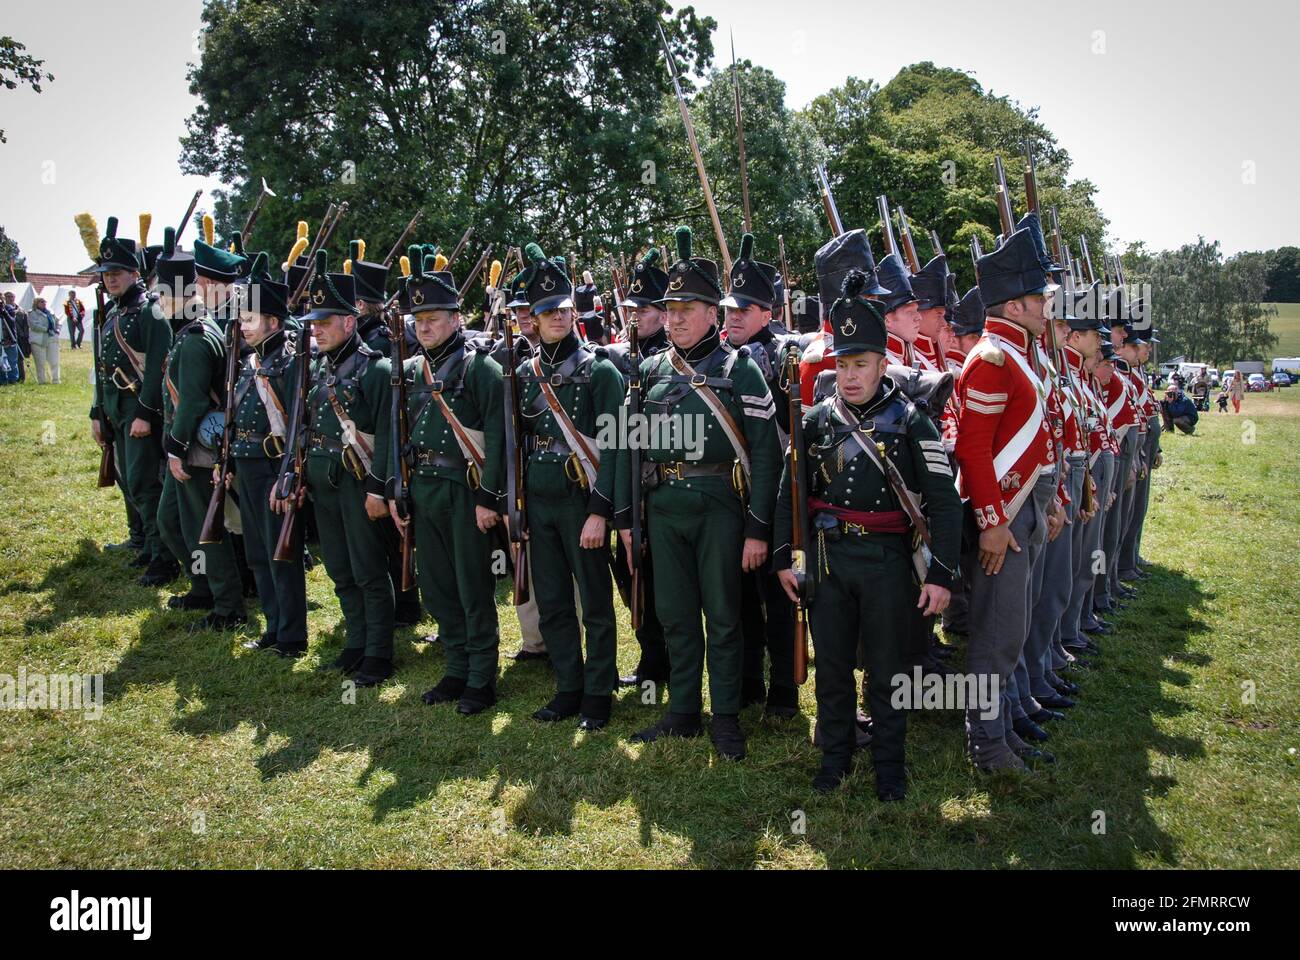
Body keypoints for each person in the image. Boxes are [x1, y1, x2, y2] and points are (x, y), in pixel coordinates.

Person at [774, 269, 961, 797]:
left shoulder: (911, 422)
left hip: (886, 562)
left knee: (886, 669)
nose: (851, 376)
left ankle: (889, 767)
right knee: (832, 668)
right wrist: (789, 559)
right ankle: (833, 760)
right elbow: (789, 496)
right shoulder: (813, 421)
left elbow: (944, 503)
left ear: (884, 364)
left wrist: (942, 574)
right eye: (844, 365)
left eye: (862, 365)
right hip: (830, 561)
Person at [617, 225, 781, 761]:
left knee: (725, 616)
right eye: (672, 307)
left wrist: (758, 528)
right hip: (663, 507)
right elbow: (630, 451)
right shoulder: (647, 372)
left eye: (691, 306)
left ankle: (726, 717)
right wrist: (627, 517)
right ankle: (683, 711)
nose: (679, 316)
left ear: (714, 312)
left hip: (720, 508)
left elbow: (766, 455)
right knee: (676, 613)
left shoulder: (742, 370)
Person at [953, 225, 1059, 772]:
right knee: (995, 636)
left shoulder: (1022, 354)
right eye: (1040, 299)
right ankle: (985, 743)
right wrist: (992, 522)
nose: (1046, 308)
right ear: (1016, 303)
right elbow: (972, 450)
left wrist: (1053, 499)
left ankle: (998, 728)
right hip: (1001, 518)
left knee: (1012, 628)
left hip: (1027, 510)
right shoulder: (994, 358)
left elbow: (1040, 437)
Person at [389, 254, 506, 716]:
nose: (424, 327)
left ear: (457, 318)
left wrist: (488, 497)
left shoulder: (480, 369)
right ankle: (456, 667)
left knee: (472, 584)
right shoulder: (413, 370)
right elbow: (401, 435)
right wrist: (399, 489)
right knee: (437, 585)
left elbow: (499, 440)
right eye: (418, 320)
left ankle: (481, 676)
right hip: (424, 486)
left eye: (433, 318)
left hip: (465, 488)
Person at [514, 242, 623, 731]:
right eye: (546, 311)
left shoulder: (600, 370)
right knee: (554, 600)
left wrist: (601, 509)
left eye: (562, 308)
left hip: (583, 498)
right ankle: (568, 686)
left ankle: (599, 692)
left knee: (596, 603)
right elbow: (515, 443)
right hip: (539, 499)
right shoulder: (522, 374)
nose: (557, 317)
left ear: (574, 311)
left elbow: (619, 446)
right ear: (533, 318)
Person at [279, 251, 395, 687]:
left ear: (349, 322)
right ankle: (356, 643)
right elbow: (301, 426)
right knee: (340, 570)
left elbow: (386, 436)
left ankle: (379, 654)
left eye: (325, 321)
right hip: (322, 481)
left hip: (357, 482)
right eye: (313, 322)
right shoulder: (315, 367)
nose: (317, 329)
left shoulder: (376, 369)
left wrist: (378, 489)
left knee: (367, 569)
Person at [719, 231, 800, 719]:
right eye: (729, 308)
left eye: (743, 310)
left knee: (778, 591)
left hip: (777, 490)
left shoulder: (787, 356)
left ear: (767, 313)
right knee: (738, 592)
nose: (732, 316)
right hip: (732, 491)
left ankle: (785, 692)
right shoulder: (721, 357)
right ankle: (749, 681)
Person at [154, 227, 247, 630]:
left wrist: (174, 446)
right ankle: (203, 587)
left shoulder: (194, 339)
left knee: (204, 527)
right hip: (190, 444)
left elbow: (191, 401)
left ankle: (227, 606)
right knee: (172, 521)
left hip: (194, 446)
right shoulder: (196, 330)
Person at [89, 217, 176, 584]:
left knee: (144, 482)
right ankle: (145, 545)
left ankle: (164, 558)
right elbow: (102, 365)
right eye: (107, 272)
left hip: (140, 411)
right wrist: (98, 410)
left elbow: (158, 367)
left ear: (134, 272)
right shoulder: (113, 312)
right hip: (115, 409)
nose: (111, 278)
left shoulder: (149, 311)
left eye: (118, 271)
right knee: (128, 481)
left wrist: (144, 412)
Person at [230, 252, 309, 657]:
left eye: (250, 320)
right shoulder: (251, 361)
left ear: (274, 322)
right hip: (246, 464)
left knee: (281, 554)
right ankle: (274, 625)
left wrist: (287, 474)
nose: (242, 327)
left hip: (273, 464)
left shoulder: (290, 361)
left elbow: (298, 422)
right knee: (258, 552)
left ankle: (293, 635)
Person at [608, 248, 672, 691]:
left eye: (644, 310)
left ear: (665, 315)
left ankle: (667, 660)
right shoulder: (620, 358)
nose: (634, 317)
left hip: (660, 487)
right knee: (629, 571)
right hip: (629, 485)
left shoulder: (669, 361)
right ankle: (652, 657)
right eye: (631, 309)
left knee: (661, 581)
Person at [26, 296, 60, 384]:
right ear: (36, 303)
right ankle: (42, 381)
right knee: (40, 363)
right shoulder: (32, 313)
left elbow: (58, 322)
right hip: (38, 341)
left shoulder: (50, 312)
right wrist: (46, 329)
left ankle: (56, 380)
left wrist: (57, 330)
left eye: (44, 301)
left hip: (52, 339)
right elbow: (34, 325)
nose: (44, 303)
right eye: (41, 302)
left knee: (54, 361)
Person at [1, 292, 23, 385]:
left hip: (9, 339)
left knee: (12, 361)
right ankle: (2, 380)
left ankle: (13, 379)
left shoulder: (9, 308)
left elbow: (11, 321)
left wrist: (3, 312)